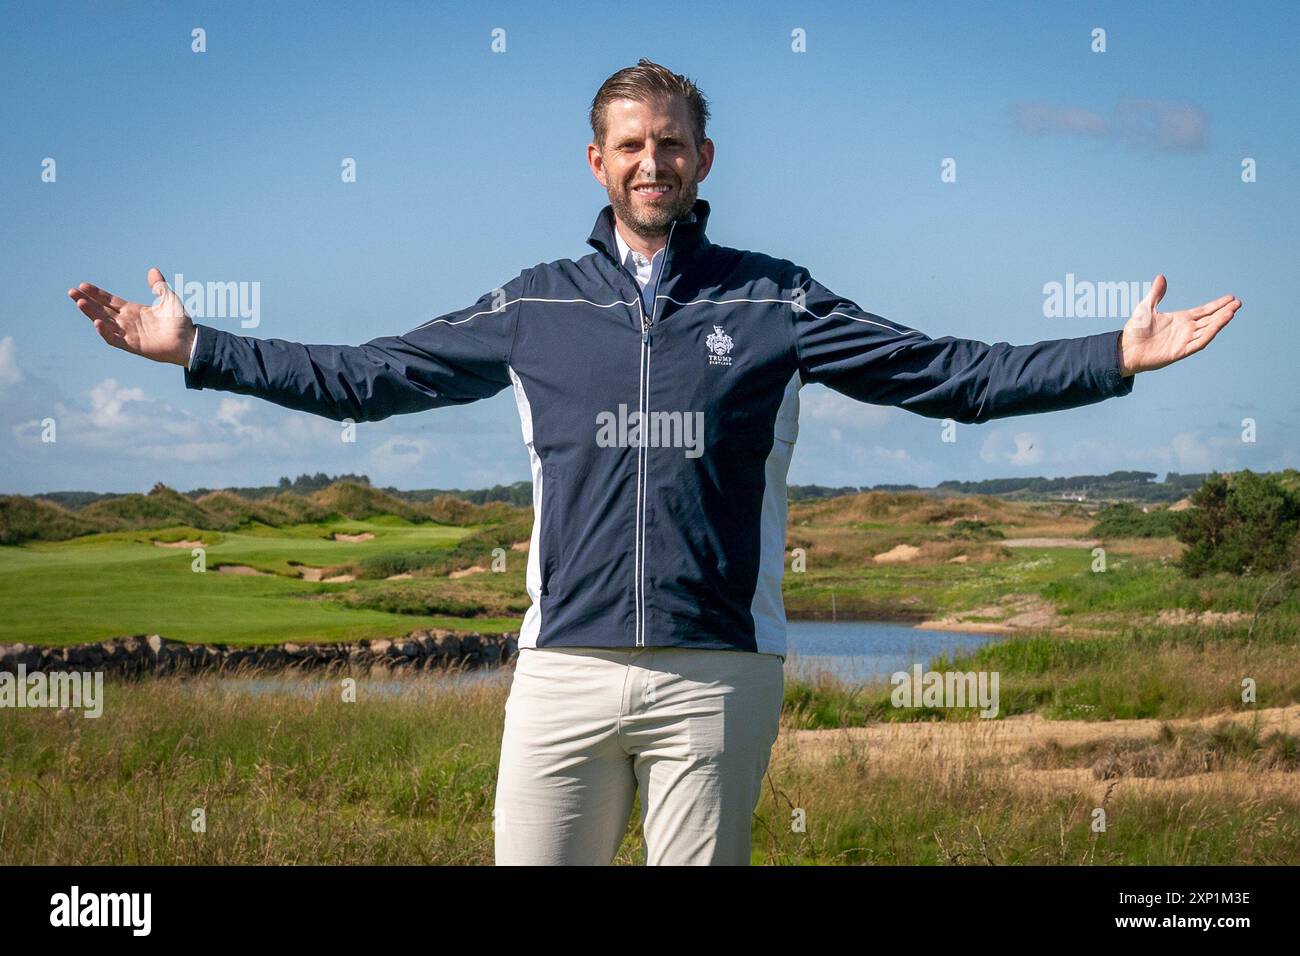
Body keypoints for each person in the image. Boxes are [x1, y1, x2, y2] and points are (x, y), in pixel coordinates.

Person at [67, 59, 1242, 866]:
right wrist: (201, 348)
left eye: (670, 144)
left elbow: (949, 374)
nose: (651, 163)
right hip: (562, 668)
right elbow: (368, 379)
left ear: (701, 155)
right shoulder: (533, 305)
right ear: (595, 161)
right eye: (629, 145)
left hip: (716, 672)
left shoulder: (775, 298)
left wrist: (1113, 354)